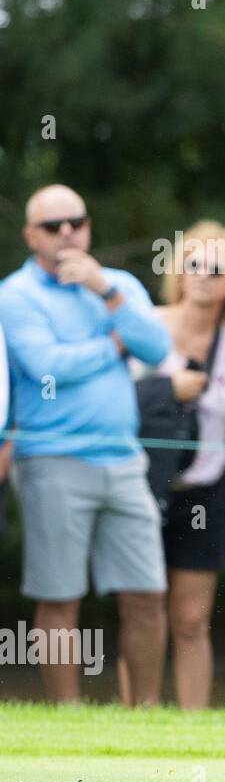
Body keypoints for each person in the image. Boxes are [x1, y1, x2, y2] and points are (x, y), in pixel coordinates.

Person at [0, 184, 171, 704]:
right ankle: (68, 716)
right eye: (53, 226)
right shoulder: (15, 294)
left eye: (76, 221)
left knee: (146, 593)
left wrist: (107, 294)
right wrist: (114, 342)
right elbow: (49, 366)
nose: (67, 232)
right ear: (31, 235)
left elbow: (159, 347)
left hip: (124, 462)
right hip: (51, 462)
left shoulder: (116, 284)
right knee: (59, 597)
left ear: (89, 226)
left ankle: (144, 717)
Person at [124, 221, 225, 709]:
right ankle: (137, 719)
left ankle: (194, 728)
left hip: (202, 491)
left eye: (219, 269)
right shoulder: (144, 325)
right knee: (141, 609)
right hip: (138, 484)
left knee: (191, 618)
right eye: (195, 264)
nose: (205, 275)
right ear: (179, 270)